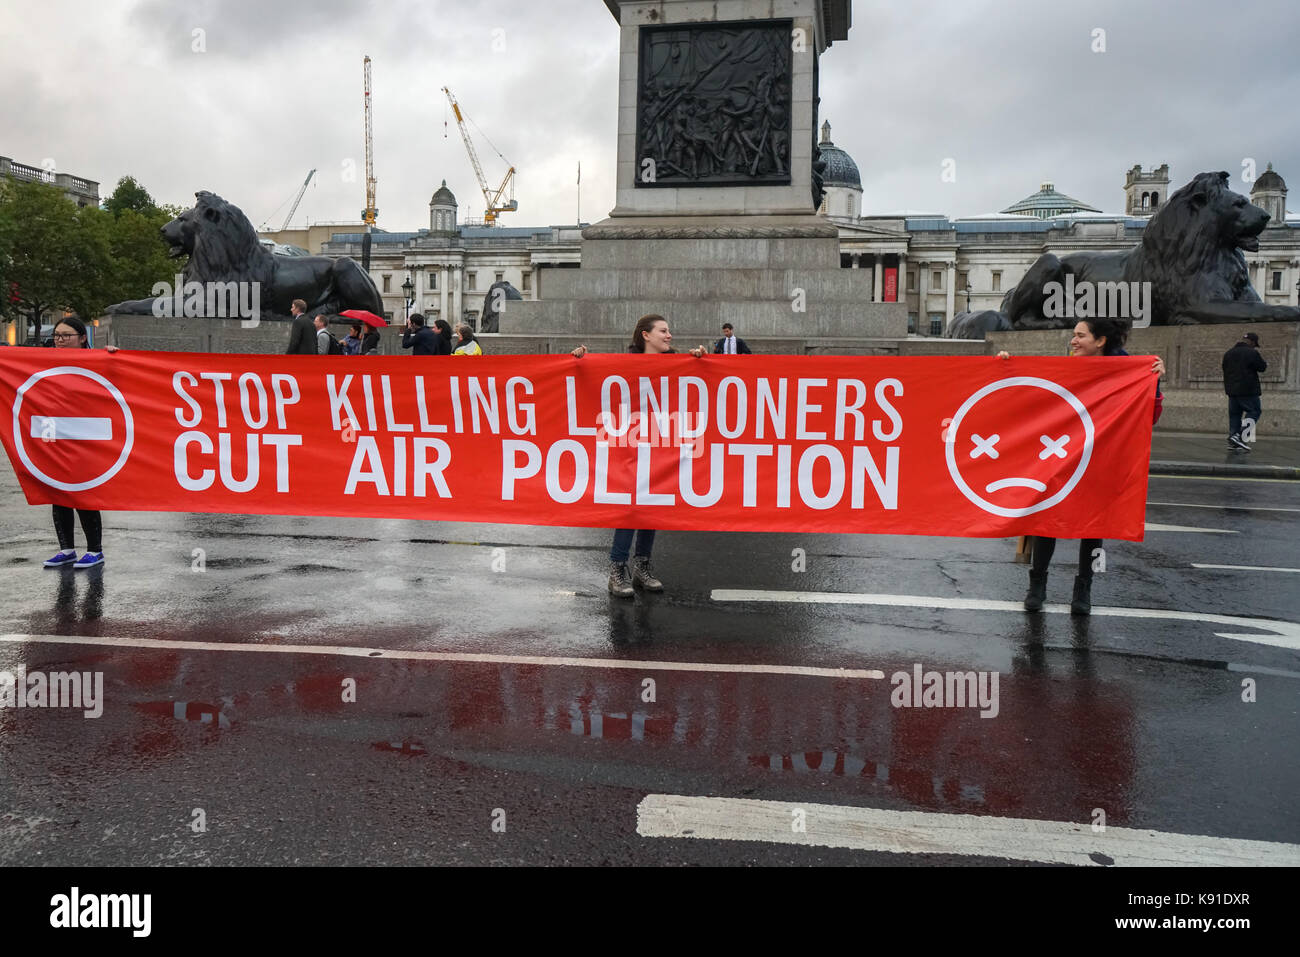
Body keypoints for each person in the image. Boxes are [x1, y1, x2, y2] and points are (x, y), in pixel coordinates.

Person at [997, 317, 1165, 615]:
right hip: (1062, 459)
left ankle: (1083, 590)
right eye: (1073, 335)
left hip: (1100, 463)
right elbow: (1030, 394)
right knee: (1047, 520)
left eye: (1080, 335)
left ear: (1100, 341)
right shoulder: (1065, 369)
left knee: (1092, 526)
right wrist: (1007, 366)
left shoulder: (1127, 373)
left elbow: (1147, 418)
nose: (1073, 341)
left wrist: (1154, 382)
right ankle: (1037, 585)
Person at [571, 315, 707, 598]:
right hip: (629, 442)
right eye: (663, 331)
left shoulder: (678, 363)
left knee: (652, 504)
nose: (669, 335)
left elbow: (697, 380)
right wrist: (580, 360)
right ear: (646, 335)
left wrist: (699, 357)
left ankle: (642, 565)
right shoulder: (624, 363)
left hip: (661, 441)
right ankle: (617, 568)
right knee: (630, 505)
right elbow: (596, 383)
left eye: (669, 330)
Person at [43, 317, 117, 570]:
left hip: (87, 436)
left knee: (84, 493)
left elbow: (119, 375)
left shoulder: (97, 360)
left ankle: (95, 551)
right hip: (57, 435)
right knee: (58, 492)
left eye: (66, 336)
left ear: (83, 338)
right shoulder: (45, 361)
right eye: (56, 335)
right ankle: (66, 549)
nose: (59, 340)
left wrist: (113, 357)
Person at [1222, 332, 1266, 452]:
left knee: (1235, 415)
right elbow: (1262, 367)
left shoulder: (1228, 353)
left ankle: (1233, 441)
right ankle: (1240, 437)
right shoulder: (1252, 352)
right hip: (1248, 390)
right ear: (1252, 342)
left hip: (1232, 390)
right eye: (1254, 344)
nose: (1254, 346)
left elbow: (1224, 369)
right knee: (1254, 411)